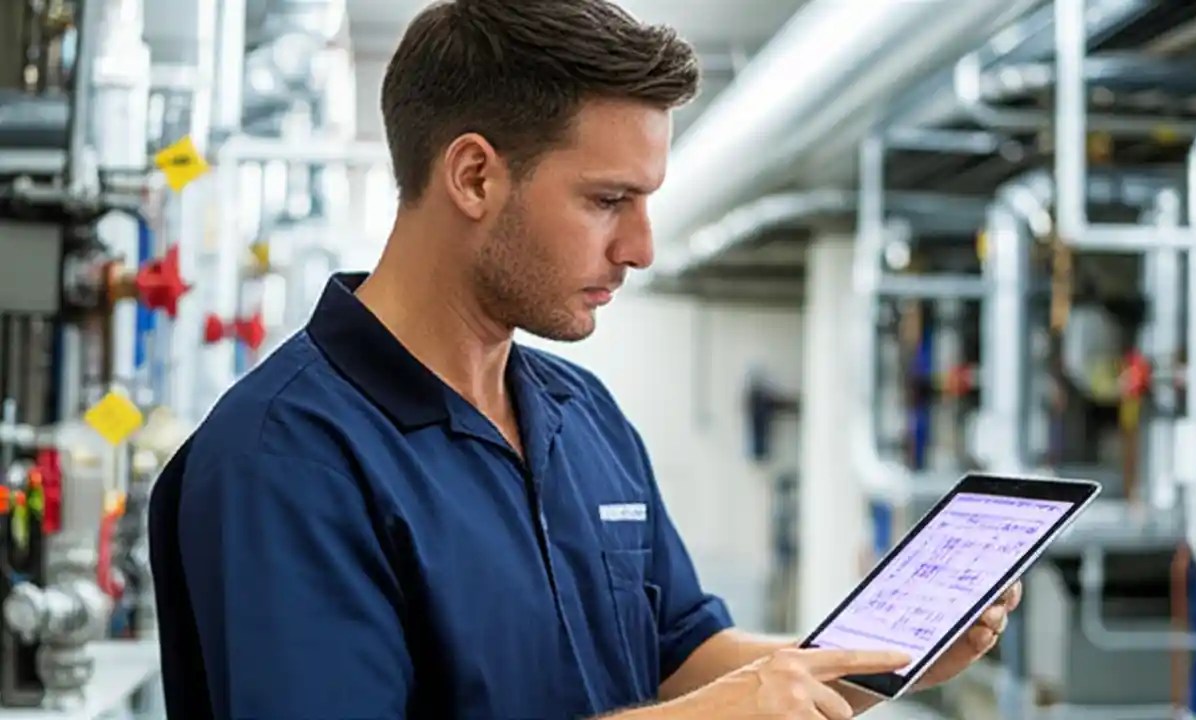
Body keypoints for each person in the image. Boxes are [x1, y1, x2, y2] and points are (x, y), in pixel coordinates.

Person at [147, 0, 1020, 718]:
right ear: (476, 177)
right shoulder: (287, 457)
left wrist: (873, 659)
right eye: (610, 200)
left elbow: (682, 653)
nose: (640, 248)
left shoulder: (580, 413)